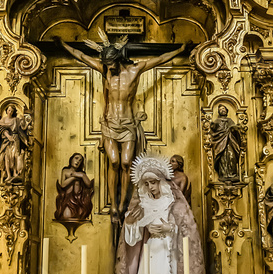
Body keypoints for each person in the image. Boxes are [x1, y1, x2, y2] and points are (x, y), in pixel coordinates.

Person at [58, 37, 186, 220]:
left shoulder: (135, 70)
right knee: (114, 162)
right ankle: (113, 205)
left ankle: (122, 204)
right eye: (106, 64)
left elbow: (160, 59)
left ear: (118, 59)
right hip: (110, 124)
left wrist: (180, 50)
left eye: (111, 64)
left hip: (127, 125)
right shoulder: (104, 69)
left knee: (126, 163)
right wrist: (64, 44)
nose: (109, 68)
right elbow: (82, 56)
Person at [0, 104, 31, 182]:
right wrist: (8, 136)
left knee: (14, 156)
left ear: (13, 112)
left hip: (15, 139)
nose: (10, 112)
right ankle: (8, 174)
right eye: (9, 110)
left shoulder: (16, 120)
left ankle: (14, 173)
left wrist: (24, 122)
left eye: (12, 111)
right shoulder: (3, 120)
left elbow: (22, 128)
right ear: (6, 110)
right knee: (7, 157)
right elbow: (1, 129)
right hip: (6, 141)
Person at [55, 153, 94, 224]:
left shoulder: (81, 174)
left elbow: (89, 184)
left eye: (80, 160)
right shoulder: (65, 171)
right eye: (76, 158)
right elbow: (63, 185)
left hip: (79, 200)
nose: (78, 161)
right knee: (67, 216)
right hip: (68, 200)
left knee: (80, 215)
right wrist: (74, 177)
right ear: (71, 159)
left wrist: (82, 175)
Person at [210, 104, 241, 181]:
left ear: (226, 110)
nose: (222, 110)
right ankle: (223, 174)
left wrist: (234, 128)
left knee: (231, 156)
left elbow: (235, 130)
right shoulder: (217, 121)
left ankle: (232, 174)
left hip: (230, 141)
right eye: (220, 109)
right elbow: (213, 131)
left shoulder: (230, 120)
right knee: (223, 159)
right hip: (220, 142)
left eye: (223, 109)